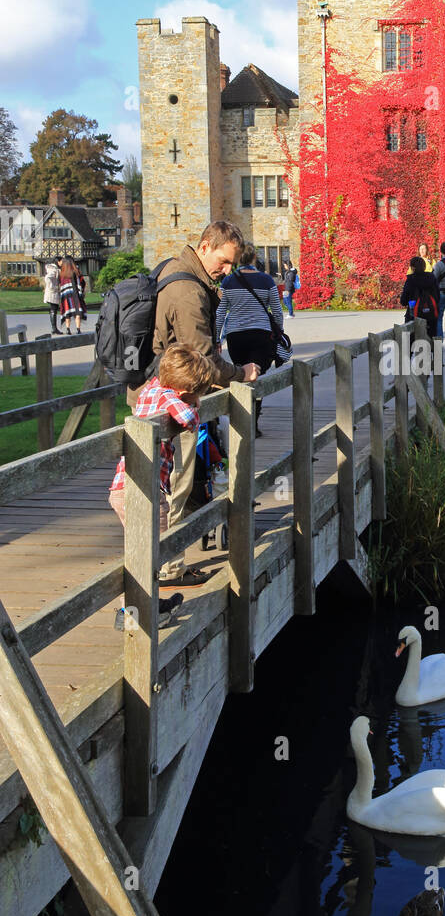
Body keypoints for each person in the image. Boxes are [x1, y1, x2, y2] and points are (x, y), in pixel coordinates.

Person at [142, 220, 261, 586]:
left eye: (231, 266)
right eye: (224, 262)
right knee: (173, 485)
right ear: (206, 245)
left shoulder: (179, 271)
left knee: (168, 485)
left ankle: (165, 560)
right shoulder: (187, 291)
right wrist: (242, 373)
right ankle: (169, 568)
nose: (227, 272)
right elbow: (202, 358)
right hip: (172, 402)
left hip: (161, 396)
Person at [110, 345, 214, 619]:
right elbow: (189, 420)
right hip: (143, 492)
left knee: (141, 552)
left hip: (125, 488)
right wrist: (195, 406)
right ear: (185, 393)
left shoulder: (152, 388)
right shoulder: (170, 397)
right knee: (150, 552)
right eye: (198, 394)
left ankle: (141, 607)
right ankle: (134, 612)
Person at [217, 243, 291, 436]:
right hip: (260, 335)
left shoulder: (227, 282)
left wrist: (217, 338)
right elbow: (276, 309)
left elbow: (220, 312)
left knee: (242, 376)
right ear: (253, 259)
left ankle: (244, 422)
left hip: (236, 337)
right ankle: (252, 424)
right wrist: (279, 332)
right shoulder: (266, 280)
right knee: (255, 376)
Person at [400, 256, 439, 340]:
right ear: (424, 267)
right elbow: (438, 295)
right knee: (433, 339)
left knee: (409, 341)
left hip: (414, 315)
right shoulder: (432, 278)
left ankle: (409, 351)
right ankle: (434, 351)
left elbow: (403, 300)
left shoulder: (410, 280)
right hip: (430, 314)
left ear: (412, 268)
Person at [59, 257, 86, 334]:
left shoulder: (62, 273)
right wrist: (82, 291)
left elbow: (60, 284)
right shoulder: (76, 271)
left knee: (67, 312)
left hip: (66, 295)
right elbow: (82, 282)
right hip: (75, 294)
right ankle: (78, 329)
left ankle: (68, 329)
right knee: (77, 311)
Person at [43, 260, 61, 334]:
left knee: (54, 309)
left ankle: (54, 328)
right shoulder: (53, 270)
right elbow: (48, 278)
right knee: (53, 309)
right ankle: (54, 328)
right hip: (52, 293)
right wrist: (53, 287)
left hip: (52, 292)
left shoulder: (53, 269)